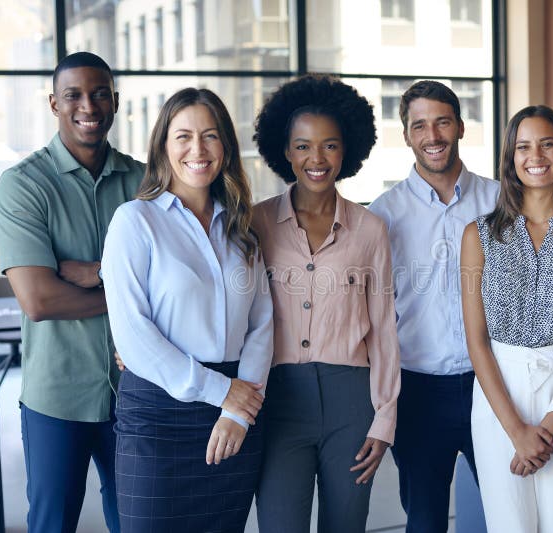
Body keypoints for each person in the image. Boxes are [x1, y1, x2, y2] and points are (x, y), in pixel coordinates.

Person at [100, 88, 273, 531]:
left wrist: (237, 410)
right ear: (163, 146)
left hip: (235, 414)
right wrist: (222, 393)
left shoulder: (242, 228)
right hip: (158, 419)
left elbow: (262, 324)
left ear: (226, 149)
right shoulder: (134, 222)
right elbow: (134, 336)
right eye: (183, 136)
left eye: (211, 136)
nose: (198, 149)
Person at [0, 51, 143, 533]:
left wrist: (96, 273)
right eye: (74, 95)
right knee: (52, 524)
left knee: (139, 522)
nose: (89, 106)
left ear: (115, 102)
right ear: (53, 103)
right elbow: (40, 301)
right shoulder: (23, 185)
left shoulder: (147, 183)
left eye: (100, 93)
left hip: (138, 393)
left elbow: (176, 286)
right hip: (57, 399)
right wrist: (128, 289)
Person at [251, 74, 400, 533]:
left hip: (352, 403)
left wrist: (384, 420)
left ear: (347, 149)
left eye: (329, 145)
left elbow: (384, 329)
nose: (316, 159)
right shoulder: (256, 223)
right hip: (277, 400)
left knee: (347, 525)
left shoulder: (371, 229)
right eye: (302, 146)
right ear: (285, 150)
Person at [460, 105, 553, 532]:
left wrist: (547, 427)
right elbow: (477, 341)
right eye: (523, 147)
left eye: (547, 144)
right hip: (498, 396)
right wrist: (516, 431)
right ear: (510, 159)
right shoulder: (478, 235)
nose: (536, 156)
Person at [368, 80, 499, 533]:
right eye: (419, 125)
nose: (433, 135)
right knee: (424, 522)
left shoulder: (502, 202)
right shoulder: (381, 215)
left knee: (515, 513)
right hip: (418, 393)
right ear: (405, 135)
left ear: (460, 126)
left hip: (493, 386)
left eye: (442, 121)